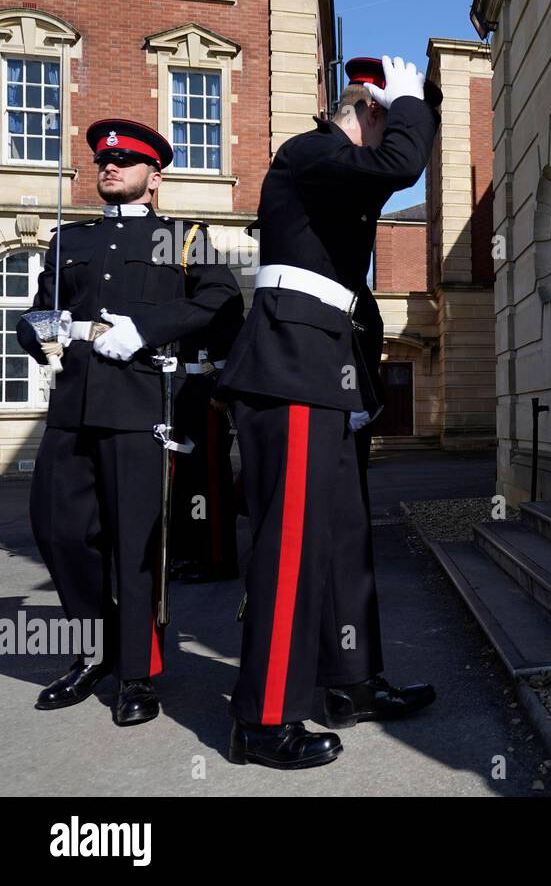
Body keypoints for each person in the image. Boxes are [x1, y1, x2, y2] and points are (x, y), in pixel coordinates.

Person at [215, 56, 441, 768]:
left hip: (327, 370)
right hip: (290, 366)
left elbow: (348, 287)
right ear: (370, 110)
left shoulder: (338, 177)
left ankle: (352, 682)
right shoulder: (309, 152)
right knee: (290, 547)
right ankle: (263, 717)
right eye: (394, 115)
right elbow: (403, 166)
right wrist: (410, 104)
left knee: (344, 539)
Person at [18, 119, 241, 725]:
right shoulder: (70, 241)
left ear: (154, 177)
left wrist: (148, 328)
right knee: (58, 532)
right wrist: (44, 332)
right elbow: (37, 313)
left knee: (138, 547)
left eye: (125, 161)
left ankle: (138, 672)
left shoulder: (185, 238)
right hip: (71, 410)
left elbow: (221, 300)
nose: (109, 167)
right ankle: (97, 649)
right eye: (102, 162)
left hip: (141, 409)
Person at [172, 292, 244, 583]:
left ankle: (216, 560)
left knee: (210, 482)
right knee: (186, 482)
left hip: (211, 397)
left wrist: (222, 391)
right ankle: (191, 553)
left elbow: (238, 351)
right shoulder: (183, 295)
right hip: (186, 395)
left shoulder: (222, 296)